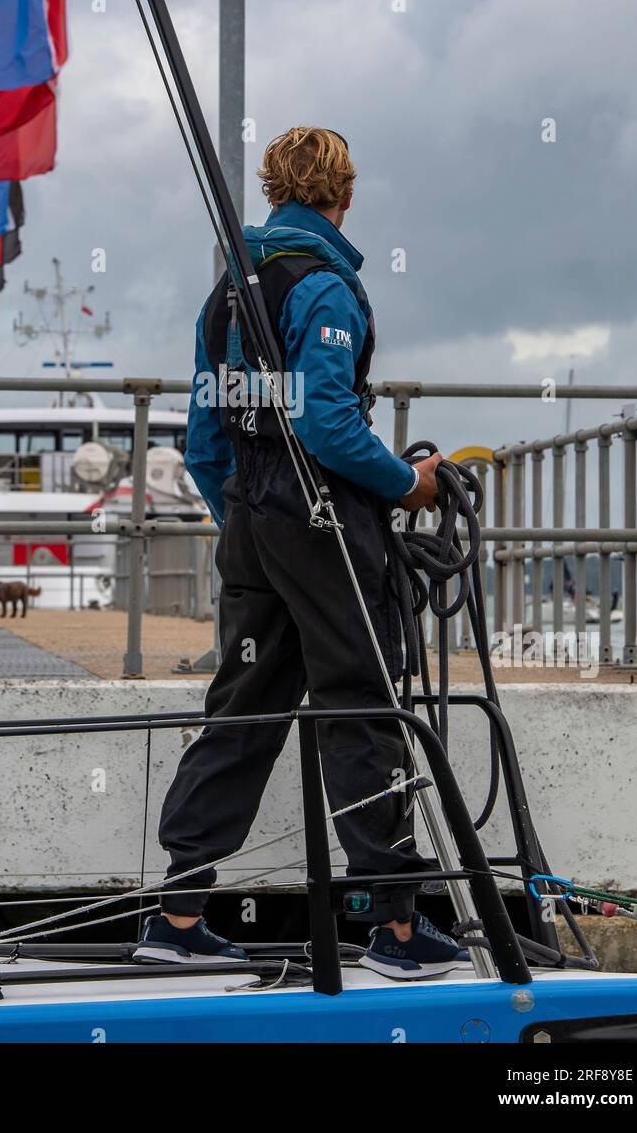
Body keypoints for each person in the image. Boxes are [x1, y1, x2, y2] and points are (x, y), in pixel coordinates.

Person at [134, 127, 468, 981]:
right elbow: (327, 421)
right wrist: (410, 484)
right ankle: (394, 930)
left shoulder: (226, 295)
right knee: (358, 698)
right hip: (322, 524)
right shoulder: (325, 286)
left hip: (249, 517)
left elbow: (204, 440)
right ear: (343, 196)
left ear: (272, 186)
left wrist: (244, 526)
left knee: (242, 709)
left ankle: (176, 913)